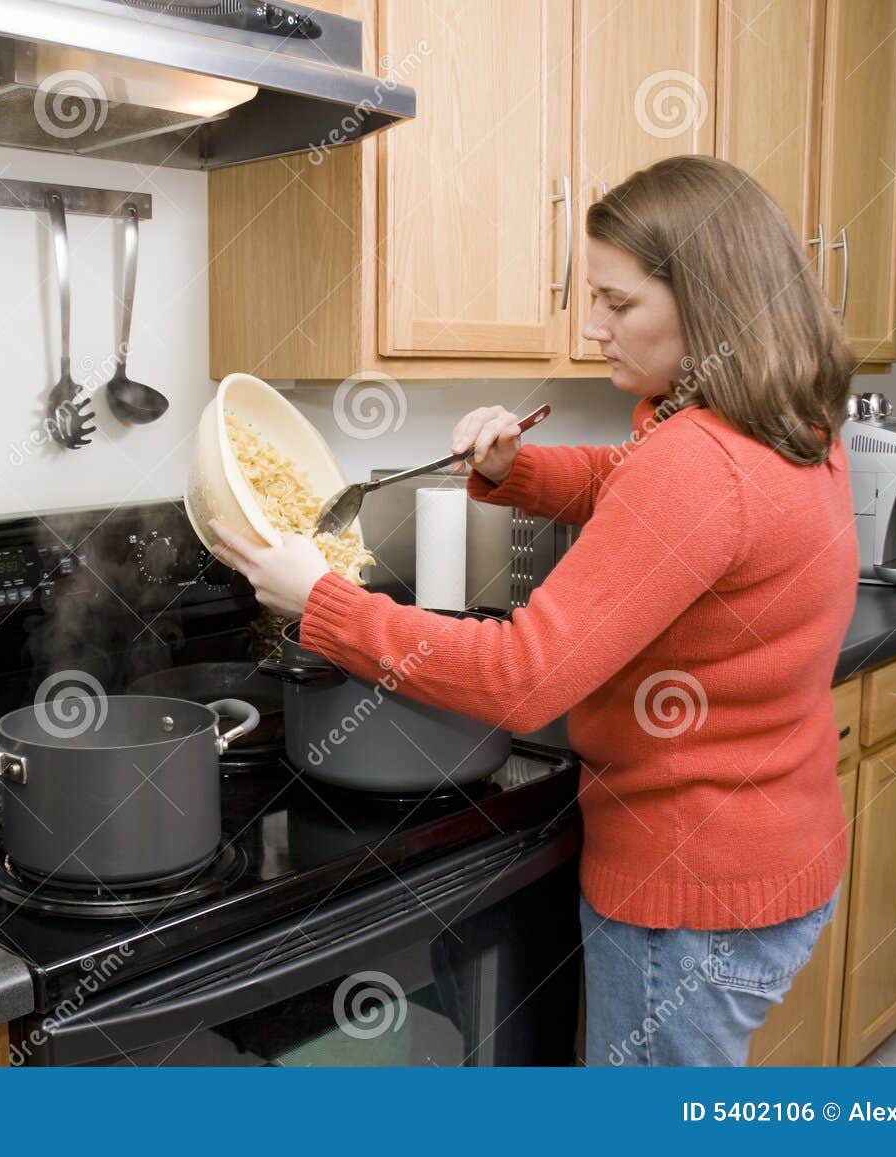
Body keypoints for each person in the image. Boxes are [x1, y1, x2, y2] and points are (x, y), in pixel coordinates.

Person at [207, 154, 858, 1066]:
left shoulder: (697, 463)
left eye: (617, 303)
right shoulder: (789, 423)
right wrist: (516, 472)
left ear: (710, 300)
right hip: (773, 854)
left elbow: (523, 676)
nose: (591, 326)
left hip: (688, 891)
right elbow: (637, 490)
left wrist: (324, 605)